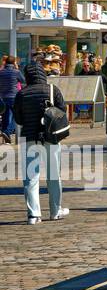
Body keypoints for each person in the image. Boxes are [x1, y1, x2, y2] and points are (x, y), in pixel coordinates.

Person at [14, 62, 70, 224]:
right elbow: (62, 111)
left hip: (29, 138)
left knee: (31, 177)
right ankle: (55, 211)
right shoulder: (52, 90)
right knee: (54, 175)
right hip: (50, 137)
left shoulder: (22, 94)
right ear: (42, 74)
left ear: (28, 76)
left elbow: (18, 119)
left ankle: (33, 215)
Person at [0, 55, 22, 143]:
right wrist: (17, 69)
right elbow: (23, 80)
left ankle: (6, 136)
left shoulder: (1, 72)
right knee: (16, 117)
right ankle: (7, 132)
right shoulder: (16, 72)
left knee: (5, 117)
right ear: (13, 63)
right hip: (14, 97)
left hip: (3, 97)